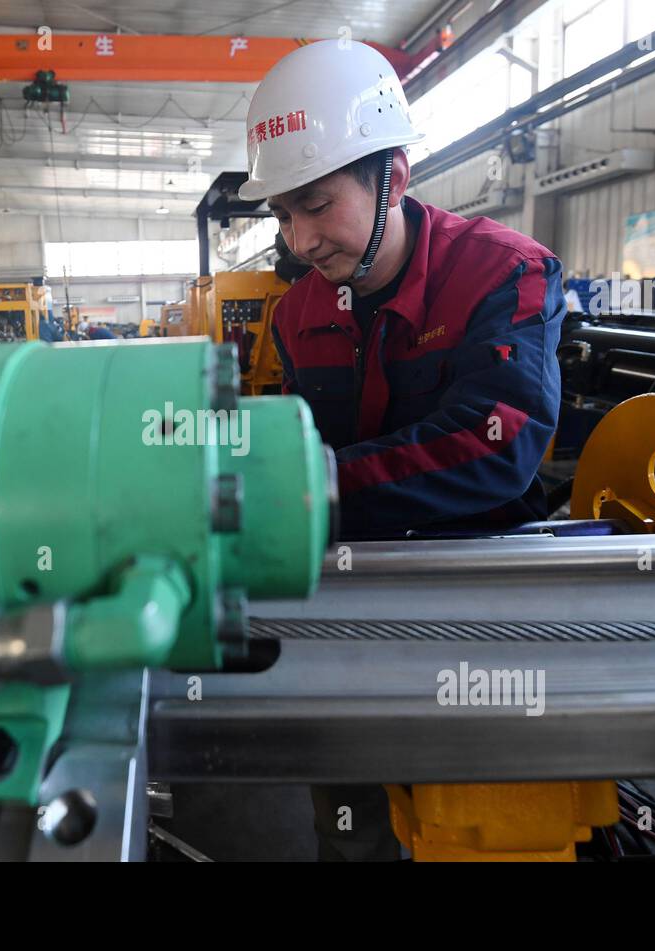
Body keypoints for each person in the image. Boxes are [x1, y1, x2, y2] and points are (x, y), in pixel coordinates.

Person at [241, 39, 567, 860]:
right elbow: (290, 436)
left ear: (395, 175)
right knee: (352, 823)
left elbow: (499, 440)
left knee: (488, 831)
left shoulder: (501, 274)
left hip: (480, 614)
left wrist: (305, 486)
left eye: (316, 204)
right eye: (282, 213)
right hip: (344, 618)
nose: (300, 239)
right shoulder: (296, 313)